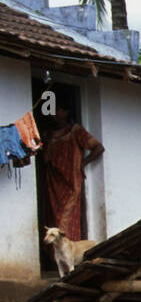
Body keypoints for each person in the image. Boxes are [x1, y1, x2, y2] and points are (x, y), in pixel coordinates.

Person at [43, 101, 104, 241]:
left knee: (64, 222)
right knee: (51, 223)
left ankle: (69, 257)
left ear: (66, 112)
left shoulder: (76, 131)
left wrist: (83, 163)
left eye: (58, 109)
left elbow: (98, 148)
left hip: (71, 184)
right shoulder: (48, 135)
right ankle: (55, 260)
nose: (54, 114)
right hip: (53, 184)